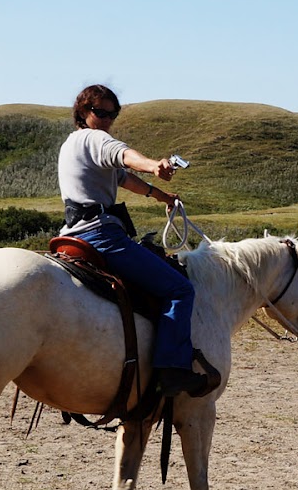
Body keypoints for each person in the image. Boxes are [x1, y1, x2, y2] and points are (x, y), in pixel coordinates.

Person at [58, 84, 211, 398]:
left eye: (112, 115)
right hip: (100, 234)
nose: (106, 120)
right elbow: (124, 157)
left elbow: (123, 178)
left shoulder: (73, 145)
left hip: (70, 233)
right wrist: (155, 165)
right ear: (83, 113)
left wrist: (160, 196)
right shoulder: (94, 138)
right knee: (180, 289)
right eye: (99, 112)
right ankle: (172, 369)